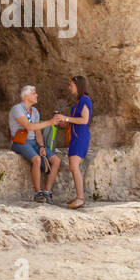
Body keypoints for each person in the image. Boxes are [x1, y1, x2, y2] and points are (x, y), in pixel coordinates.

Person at [8, 85, 62, 203]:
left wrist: (42, 146)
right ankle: (38, 193)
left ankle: (47, 192)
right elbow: (29, 126)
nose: (36, 95)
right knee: (37, 159)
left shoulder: (35, 111)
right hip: (20, 141)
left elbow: (37, 131)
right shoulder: (17, 109)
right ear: (26, 96)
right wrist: (50, 122)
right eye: (34, 93)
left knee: (56, 161)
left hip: (34, 142)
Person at [54, 75, 93, 209]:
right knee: (73, 166)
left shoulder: (85, 100)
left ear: (78, 86)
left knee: (74, 166)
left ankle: (80, 198)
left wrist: (67, 118)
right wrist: (64, 122)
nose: (69, 87)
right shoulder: (78, 102)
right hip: (75, 136)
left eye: (71, 84)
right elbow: (74, 120)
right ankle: (79, 197)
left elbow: (84, 120)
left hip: (81, 137)